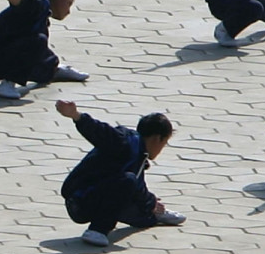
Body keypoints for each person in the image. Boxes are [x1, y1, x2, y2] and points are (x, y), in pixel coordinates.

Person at [58, 100, 183, 246]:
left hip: (99, 196)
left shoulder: (140, 154)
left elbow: (139, 188)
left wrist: (151, 204)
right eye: (164, 142)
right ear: (157, 138)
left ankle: (154, 216)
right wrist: (76, 116)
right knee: (128, 182)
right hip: (80, 201)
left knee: (136, 198)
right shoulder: (124, 141)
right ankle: (97, 230)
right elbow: (100, 132)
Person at [0, 0, 88, 99]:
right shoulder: (40, 3)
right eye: (68, 3)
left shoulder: (41, 15)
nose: (68, 11)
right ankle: (8, 83)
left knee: (39, 53)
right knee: (38, 41)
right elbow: (23, 0)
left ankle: (54, 70)